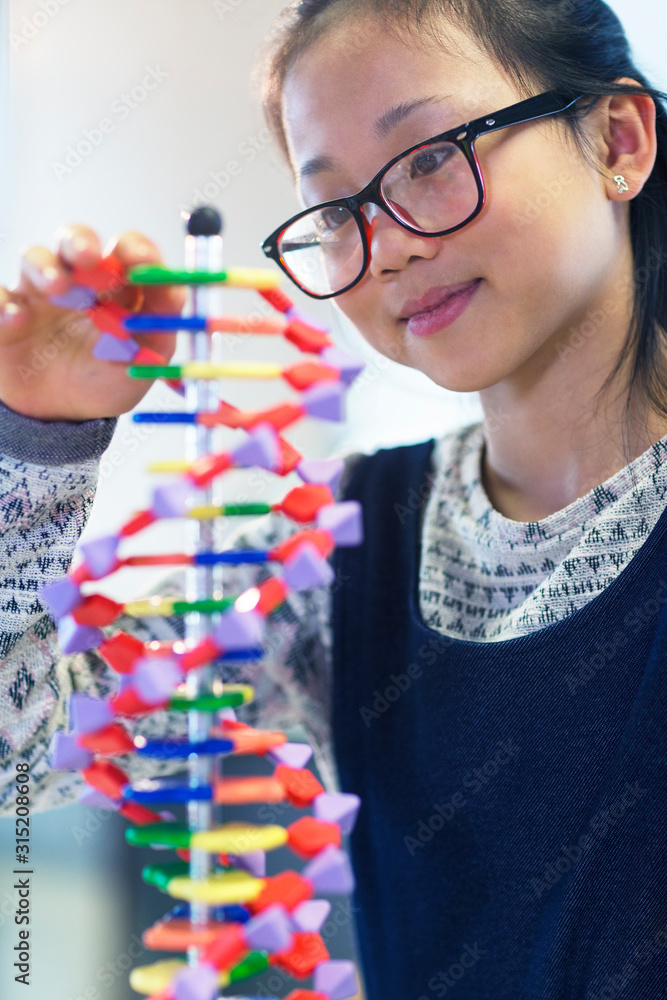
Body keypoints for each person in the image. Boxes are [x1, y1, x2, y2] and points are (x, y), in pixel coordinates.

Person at [1, 0, 667, 996]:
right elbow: (21, 751)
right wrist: (39, 437)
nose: (386, 247)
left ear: (616, 139)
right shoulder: (334, 559)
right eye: (340, 210)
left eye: (430, 158)